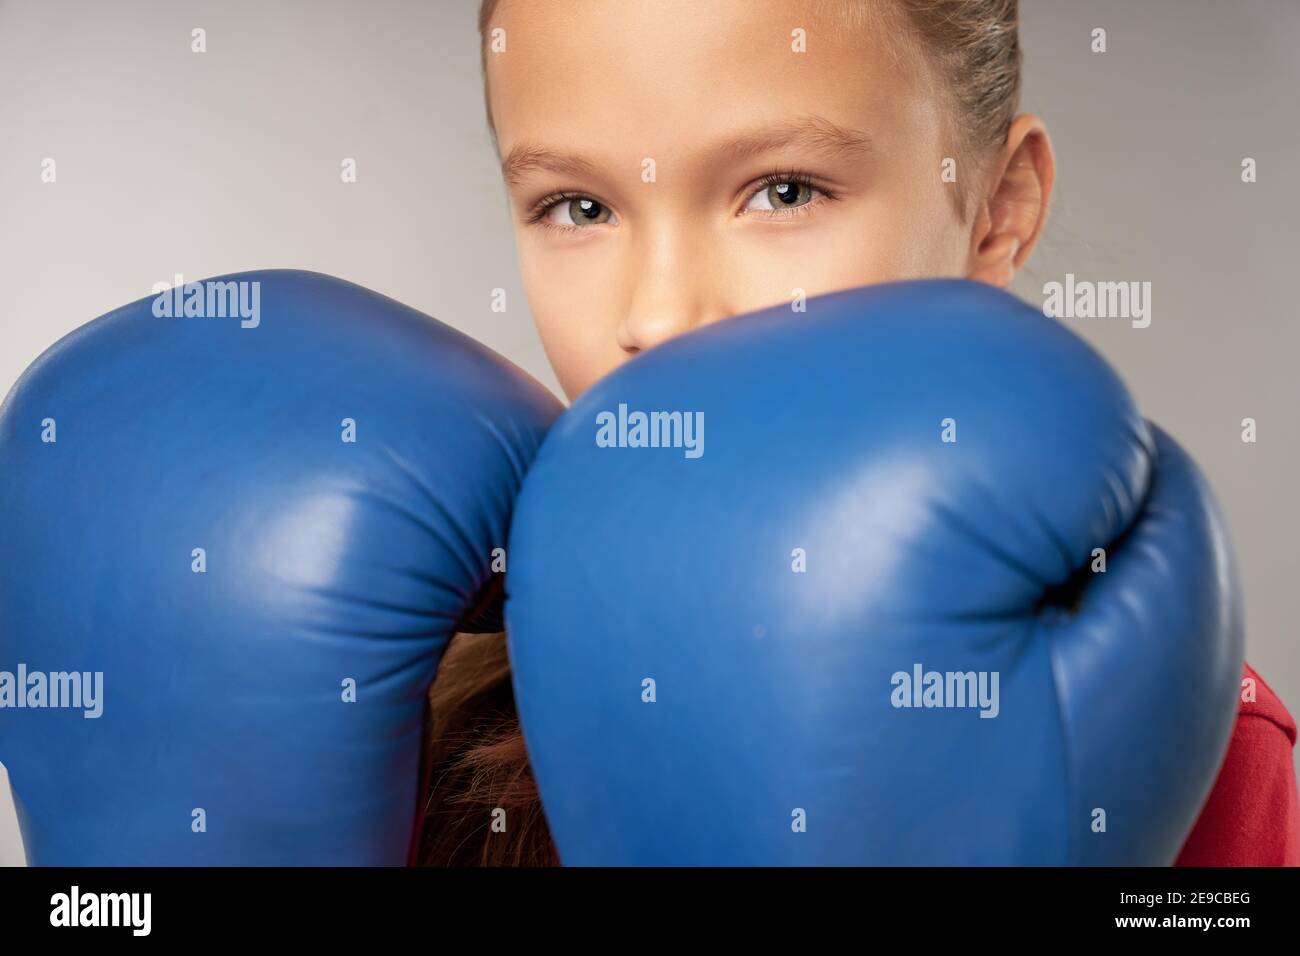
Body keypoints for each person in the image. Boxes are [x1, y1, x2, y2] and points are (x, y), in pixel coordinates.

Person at [416, 0, 1298, 866]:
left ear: (996, 209)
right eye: (577, 207)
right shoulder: (400, 697)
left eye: (783, 192)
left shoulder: (1179, 740)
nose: (658, 317)